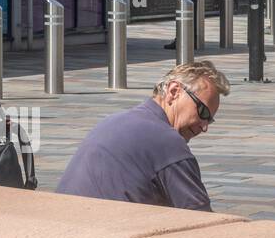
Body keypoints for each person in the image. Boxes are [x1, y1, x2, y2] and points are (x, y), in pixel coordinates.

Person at [56, 60, 229, 211]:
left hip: (63, 226)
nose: (204, 126)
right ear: (174, 91)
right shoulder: (167, 141)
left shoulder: (114, 121)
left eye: (209, 120)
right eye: (202, 111)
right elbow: (199, 218)